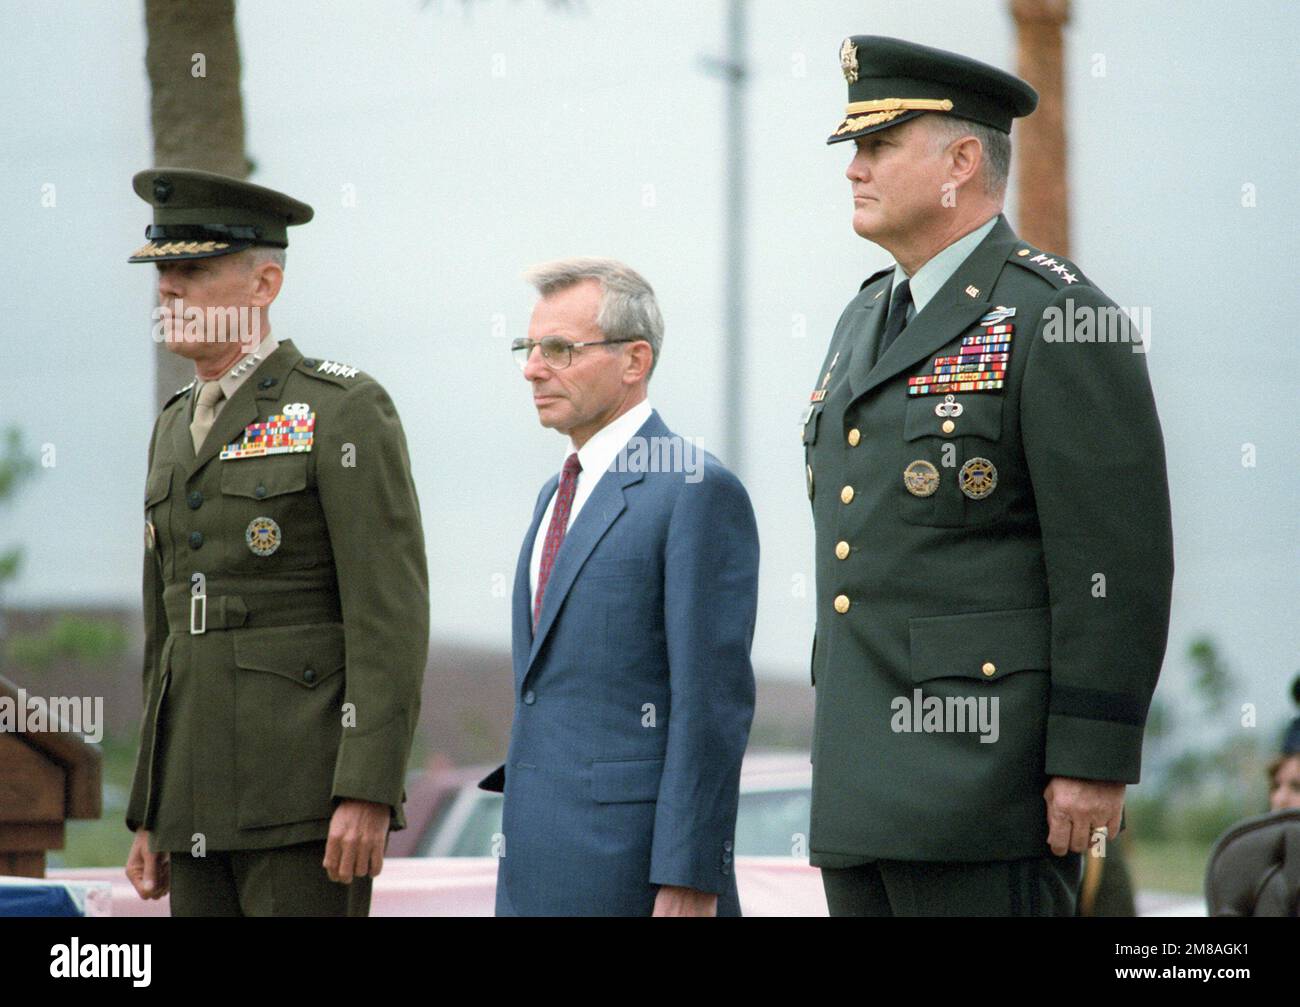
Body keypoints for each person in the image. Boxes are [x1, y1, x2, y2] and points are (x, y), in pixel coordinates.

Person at [803, 36, 1174, 916]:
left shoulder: (1058, 317)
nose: (854, 169)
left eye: (879, 146)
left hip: (983, 792)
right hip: (861, 789)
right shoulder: (863, 317)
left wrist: (1091, 758)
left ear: (962, 160)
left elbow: (1116, 560)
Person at [122, 168, 429, 916]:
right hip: (193, 799)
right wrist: (149, 805)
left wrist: (367, 788)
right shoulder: (173, 423)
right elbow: (164, 630)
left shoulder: (342, 408)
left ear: (263, 284)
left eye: (192, 269)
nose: (169, 291)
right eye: (163, 272)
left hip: (302, 797)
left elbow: (388, 616)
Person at [480, 258, 759, 916]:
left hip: (636, 874)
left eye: (558, 349)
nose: (532, 368)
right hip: (532, 863)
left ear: (635, 360)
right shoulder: (556, 493)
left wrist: (691, 872)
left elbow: (712, 704)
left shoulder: (694, 488)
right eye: (528, 347)